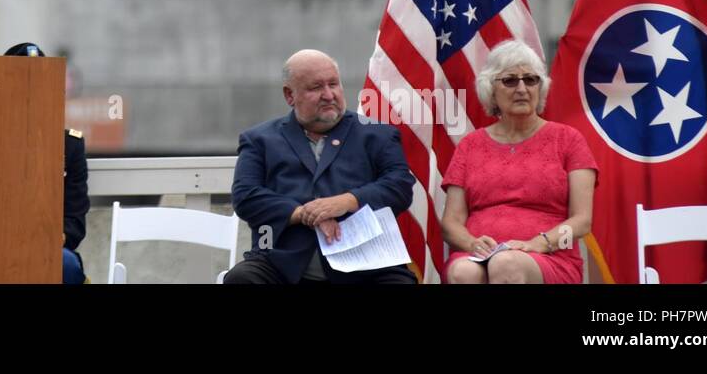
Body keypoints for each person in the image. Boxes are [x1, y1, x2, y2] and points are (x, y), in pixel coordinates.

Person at [224, 49, 416, 284]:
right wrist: (305, 214)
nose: (328, 95)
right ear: (289, 95)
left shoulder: (377, 135)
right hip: (282, 265)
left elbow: (399, 186)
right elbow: (246, 196)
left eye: (333, 84)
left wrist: (344, 202)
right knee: (241, 278)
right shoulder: (259, 140)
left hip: (367, 268)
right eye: (316, 88)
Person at [441, 38, 597, 284]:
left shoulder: (568, 140)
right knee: (464, 272)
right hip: (478, 256)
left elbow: (581, 222)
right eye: (510, 80)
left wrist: (538, 244)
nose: (522, 88)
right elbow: (451, 223)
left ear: (540, 87)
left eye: (531, 80)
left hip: (550, 256)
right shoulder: (469, 146)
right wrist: (472, 243)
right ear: (491, 90)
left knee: (506, 263)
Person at [3, 42, 90, 284]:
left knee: (67, 265)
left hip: (47, 245)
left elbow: (74, 221)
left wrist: (46, 239)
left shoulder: (69, 146)